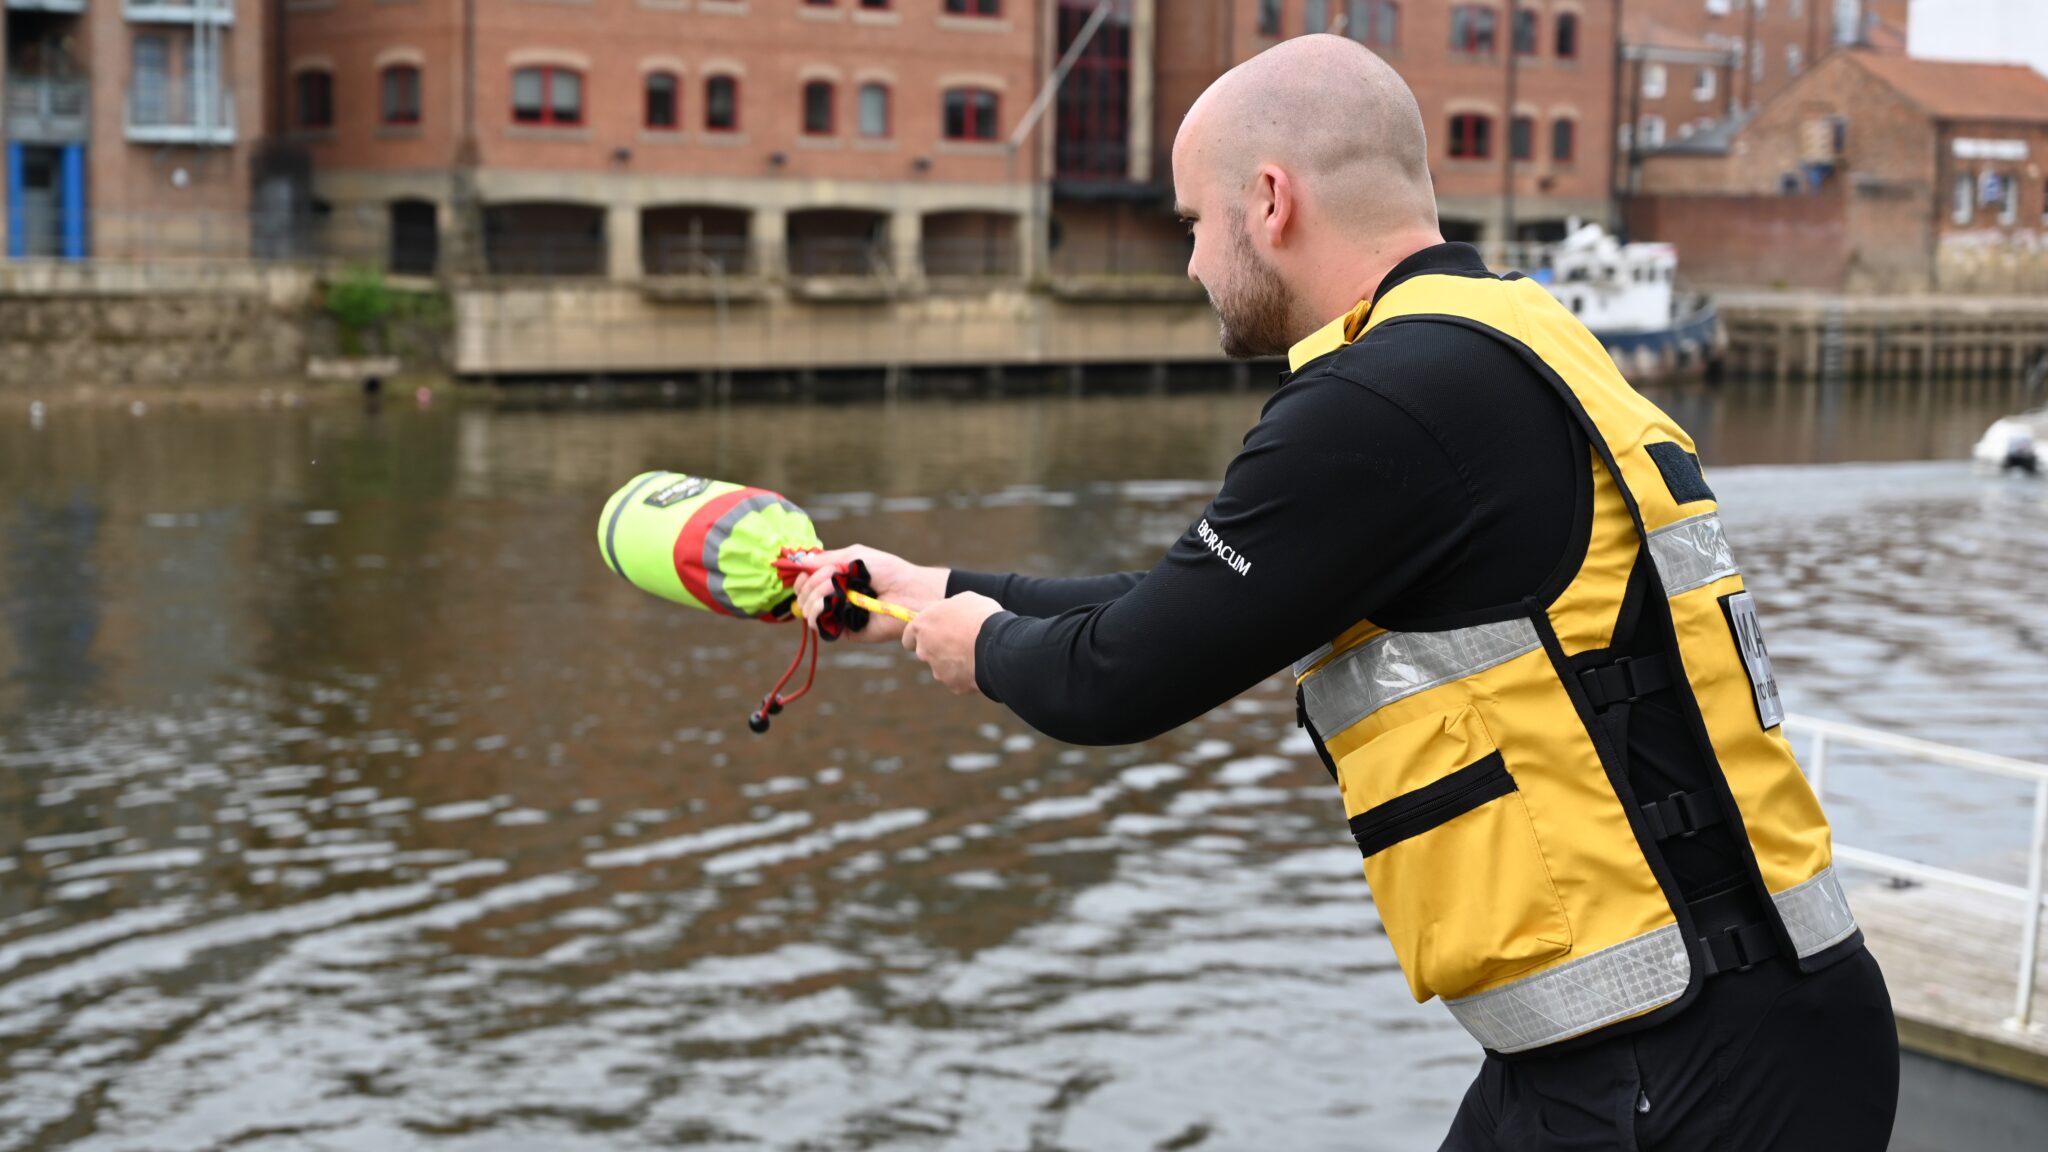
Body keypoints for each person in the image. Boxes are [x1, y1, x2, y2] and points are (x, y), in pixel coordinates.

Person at [794, 34, 1898, 1151]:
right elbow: (1203, 598)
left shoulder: (1376, 403)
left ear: (1268, 200)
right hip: (1741, 1021)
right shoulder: (1506, 341)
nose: (1186, 267)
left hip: (1670, 1063)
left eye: (1190, 224)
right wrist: (931, 585)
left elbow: (1117, 678)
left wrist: (978, 647)